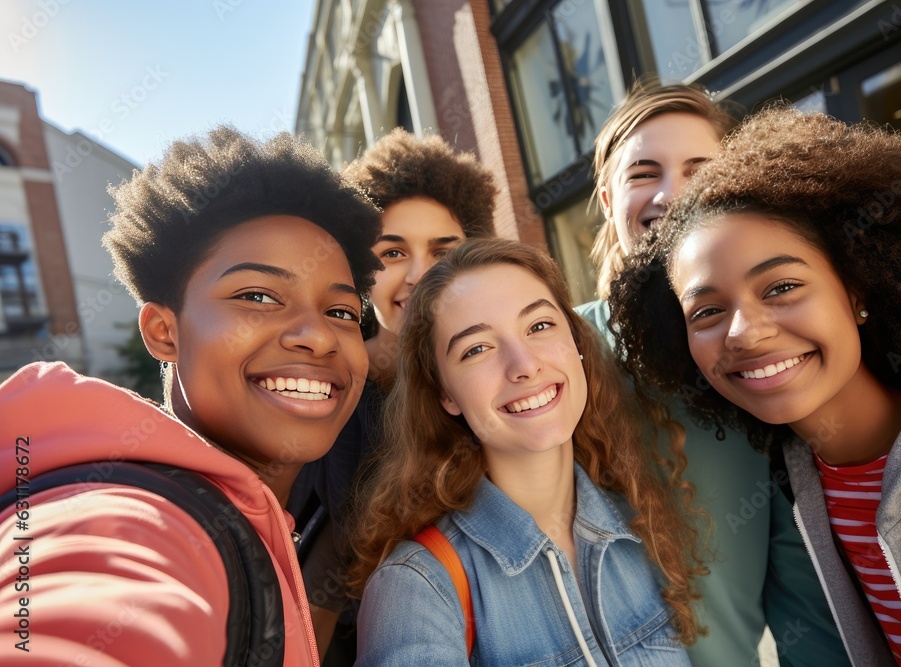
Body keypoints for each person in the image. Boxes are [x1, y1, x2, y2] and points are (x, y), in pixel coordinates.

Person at [609, 106, 901, 666]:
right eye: (707, 311)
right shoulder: (793, 479)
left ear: (857, 289)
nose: (744, 332)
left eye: (782, 287)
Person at [0, 127, 381, 666]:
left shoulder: (268, 517)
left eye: (341, 312)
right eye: (258, 297)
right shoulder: (130, 521)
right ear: (164, 332)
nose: (318, 336)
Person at [580, 80, 847, 666]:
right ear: (607, 198)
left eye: (698, 169)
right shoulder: (556, 349)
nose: (671, 193)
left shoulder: (767, 356)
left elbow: (808, 602)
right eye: (643, 173)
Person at [351, 238, 704, 666]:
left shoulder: (641, 522)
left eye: (539, 326)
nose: (524, 365)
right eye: (476, 349)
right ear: (445, 393)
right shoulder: (418, 588)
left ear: (576, 341)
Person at [291, 127, 497, 661]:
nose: (421, 274)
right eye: (393, 251)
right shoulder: (330, 389)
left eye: (444, 249)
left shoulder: (517, 376)